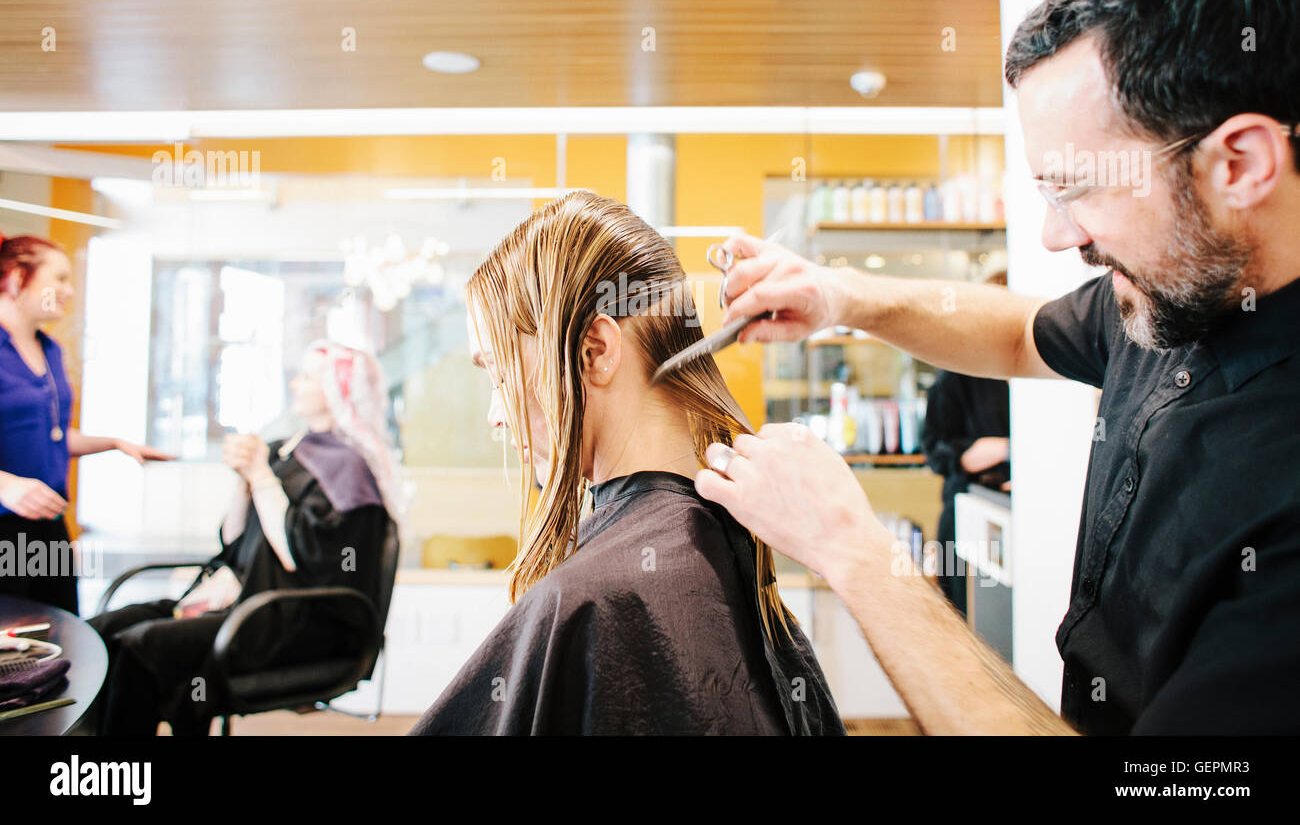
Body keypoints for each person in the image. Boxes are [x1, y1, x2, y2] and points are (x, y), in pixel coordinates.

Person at [694, 0, 1300, 735]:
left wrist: (855, 551)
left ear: (1241, 162)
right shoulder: (1181, 290)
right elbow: (1020, 331)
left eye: (1077, 187)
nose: (1055, 235)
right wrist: (839, 296)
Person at [410, 191, 843, 735]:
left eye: (498, 374)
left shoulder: (591, 600)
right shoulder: (727, 547)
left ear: (595, 350)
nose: (496, 416)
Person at [88, 341, 398, 735]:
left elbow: (302, 558)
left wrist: (262, 476)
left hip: (292, 620)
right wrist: (243, 482)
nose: (296, 384)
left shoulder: (348, 470)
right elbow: (234, 541)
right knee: (105, 630)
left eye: (308, 376)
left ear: (338, 389)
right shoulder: (286, 451)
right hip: (247, 603)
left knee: (140, 647)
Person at [0, 233, 173, 614]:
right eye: (59, 279)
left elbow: (49, 437)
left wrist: (114, 442)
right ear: (15, 279)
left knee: (60, 635)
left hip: (48, 525)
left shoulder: (50, 350)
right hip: (4, 527)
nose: (69, 291)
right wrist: (5, 485)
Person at [920, 269, 1011, 616]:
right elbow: (936, 450)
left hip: (1026, 517)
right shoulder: (958, 372)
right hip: (967, 517)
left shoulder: (1044, 372)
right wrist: (1004, 450)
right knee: (970, 626)